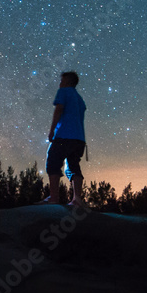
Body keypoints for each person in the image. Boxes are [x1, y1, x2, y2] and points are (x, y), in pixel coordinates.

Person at [39, 71, 87, 207]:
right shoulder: (79, 99)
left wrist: (52, 130)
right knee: (74, 166)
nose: (60, 83)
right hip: (79, 139)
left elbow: (59, 109)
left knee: (53, 162)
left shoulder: (63, 92)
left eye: (62, 81)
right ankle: (77, 200)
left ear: (67, 82)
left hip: (64, 136)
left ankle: (54, 197)